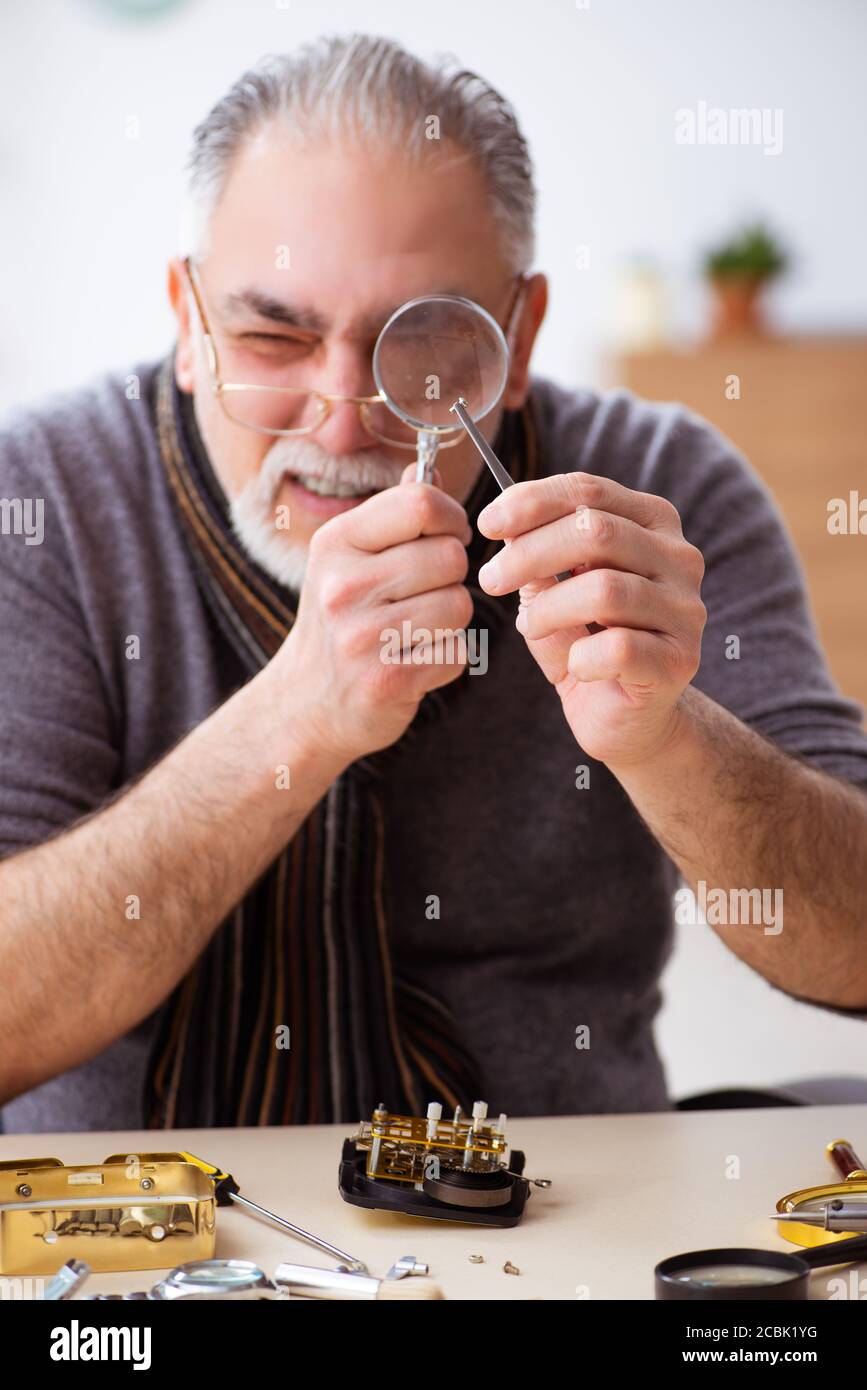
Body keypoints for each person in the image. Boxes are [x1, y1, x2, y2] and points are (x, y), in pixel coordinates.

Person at [1, 34, 865, 1136]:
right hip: (131, 1246)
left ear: (522, 329)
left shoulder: (662, 488)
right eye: (273, 333)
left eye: (427, 341)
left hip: (564, 1231)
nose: (346, 416)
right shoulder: (37, 500)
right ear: (187, 319)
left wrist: (666, 737)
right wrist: (296, 718)